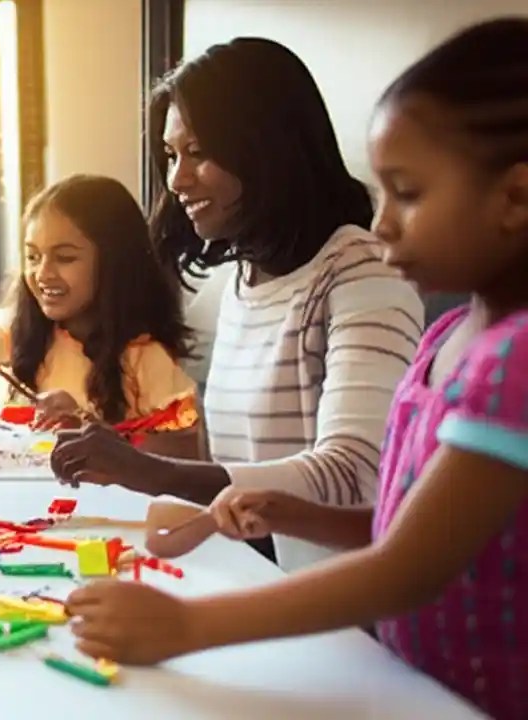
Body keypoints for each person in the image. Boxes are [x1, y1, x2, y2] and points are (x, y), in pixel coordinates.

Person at [64, 19, 528, 718]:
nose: (383, 225)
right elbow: (398, 522)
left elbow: (408, 568)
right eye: (171, 154)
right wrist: (292, 511)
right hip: (388, 677)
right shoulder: (448, 340)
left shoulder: (511, 364)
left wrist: (186, 628)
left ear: (516, 199)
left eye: (408, 192)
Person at [51, 37, 424, 571]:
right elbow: (221, 463)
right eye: (172, 154)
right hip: (254, 573)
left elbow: (351, 475)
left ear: (264, 147)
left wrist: (147, 471)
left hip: (334, 601)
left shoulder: (363, 275)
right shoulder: (237, 281)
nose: (176, 179)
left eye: (198, 153)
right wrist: (112, 443)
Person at [0, 175, 199, 457]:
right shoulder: (31, 334)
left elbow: (190, 452)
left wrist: (85, 425)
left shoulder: (145, 355)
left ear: (116, 262)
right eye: (33, 257)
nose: (43, 274)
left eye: (64, 258)